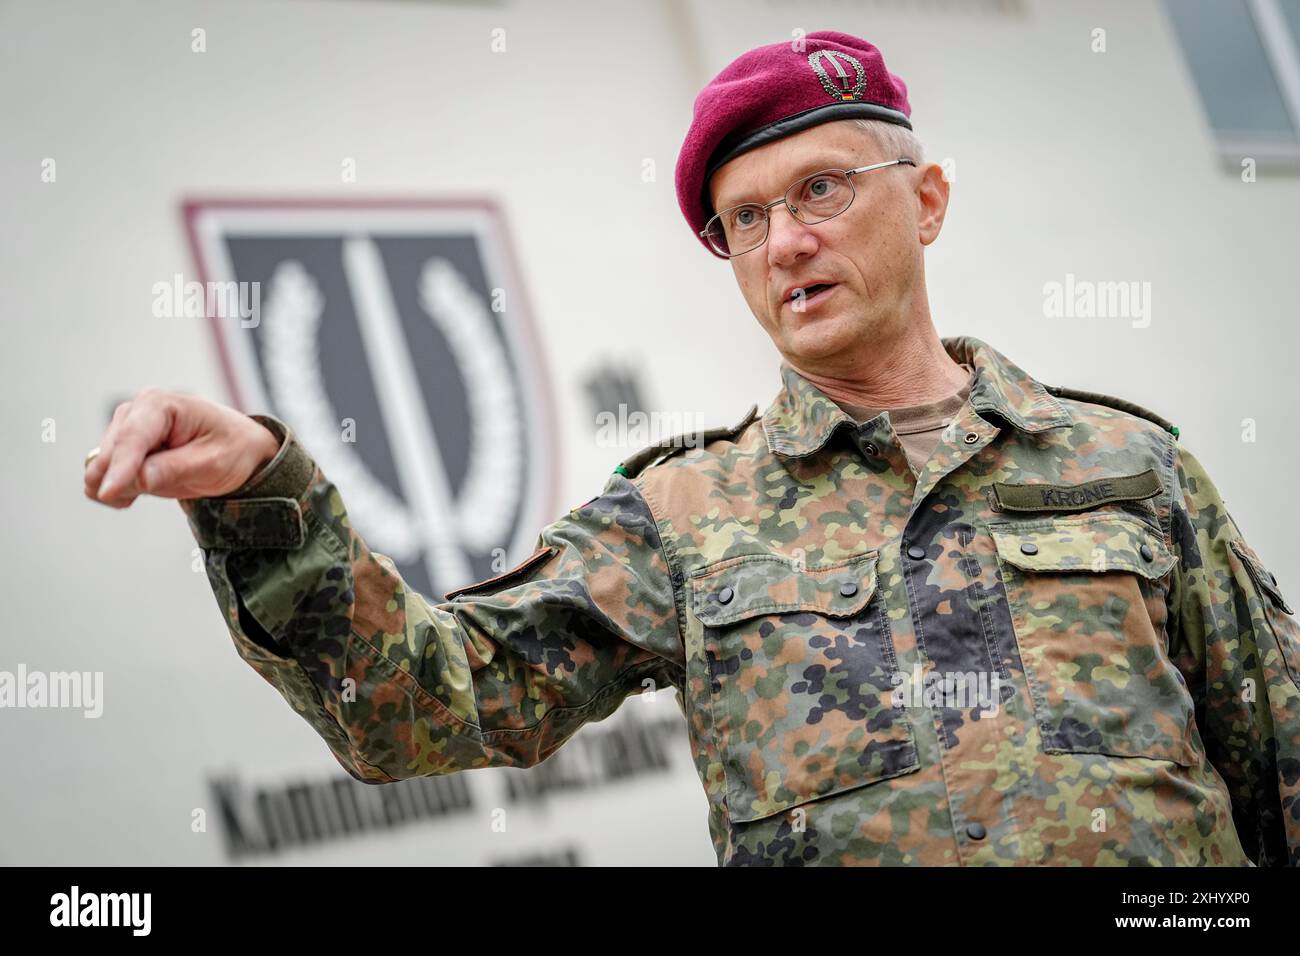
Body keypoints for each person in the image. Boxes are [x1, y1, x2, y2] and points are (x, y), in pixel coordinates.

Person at [83, 31, 1300, 867]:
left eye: (819, 189)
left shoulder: (1126, 462)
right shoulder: (685, 514)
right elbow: (426, 709)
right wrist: (264, 490)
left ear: (925, 200)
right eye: (745, 218)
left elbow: (1278, 760)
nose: (782, 243)